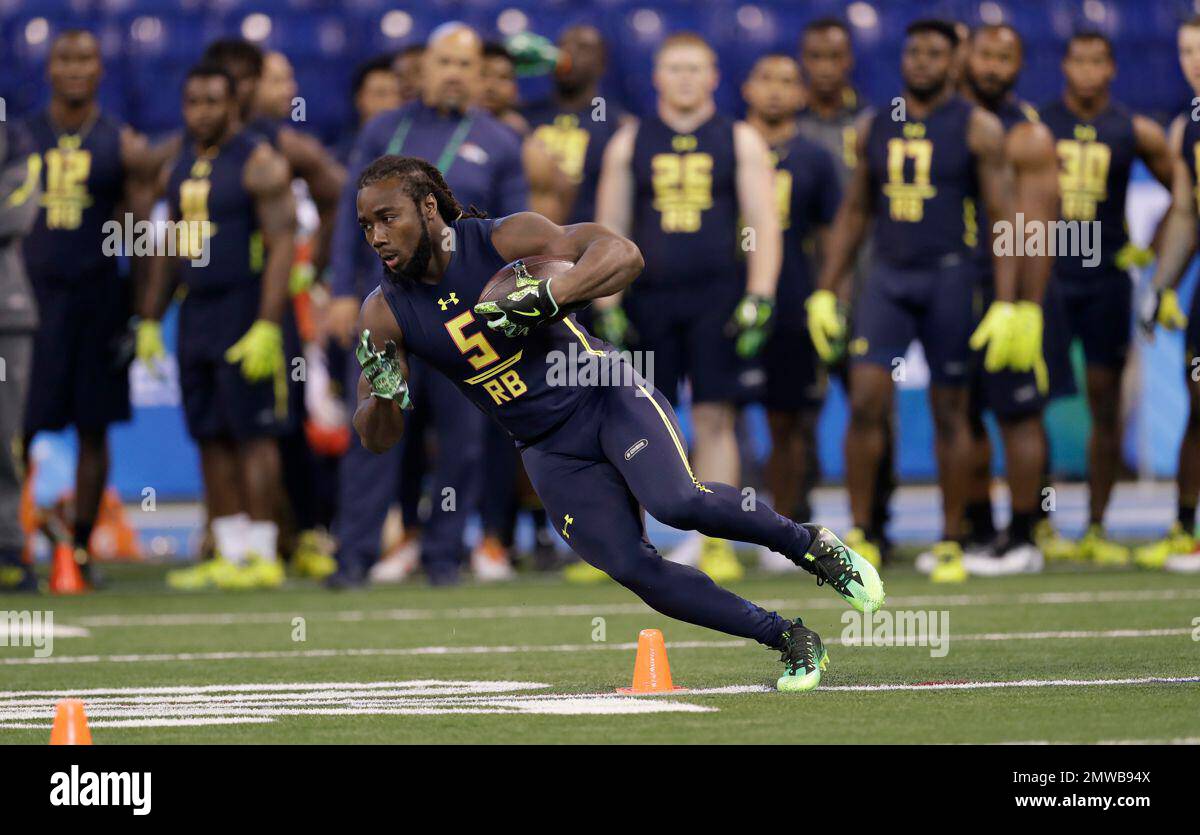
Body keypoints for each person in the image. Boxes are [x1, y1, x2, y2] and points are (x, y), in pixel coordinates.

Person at [351, 153, 883, 691]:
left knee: (678, 502)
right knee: (635, 568)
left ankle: (809, 546)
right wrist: (385, 399)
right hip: (545, 446)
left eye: (388, 217)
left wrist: (557, 292)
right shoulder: (383, 313)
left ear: (427, 206)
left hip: (603, 395)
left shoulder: (503, 239)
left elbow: (623, 254)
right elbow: (377, 438)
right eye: (366, 225)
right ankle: (787, 637)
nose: (377, 236)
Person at [809, 19, 1019, 583]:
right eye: (913, 51)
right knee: (866, 402)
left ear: (954, 63)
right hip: (887, 278)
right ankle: (861, 533)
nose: (921, 61)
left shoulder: (977, 128)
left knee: (953, 411)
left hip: (950, 278)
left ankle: (951, 538)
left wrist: (1006, 301)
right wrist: (825, 291)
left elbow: (1003, 220)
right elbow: (854, 212)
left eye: (934, 53)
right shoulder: (877, 124)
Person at [327, 23, 527, 586]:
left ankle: (443, 556)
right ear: (424, 69)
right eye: (445, 63)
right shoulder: (385, 129)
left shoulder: (501, 141)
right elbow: (349, 216)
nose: (455, 74)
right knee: (373, 426)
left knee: (461, 441)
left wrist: (507, 308)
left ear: (478, 73)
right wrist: (342, 290)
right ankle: (355, 556)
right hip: (385, 310)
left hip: (464, 315)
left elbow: (511, 234)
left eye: (466, 65)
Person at [595, 32, 781, 582]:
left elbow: (763, 221)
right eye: (673, 68)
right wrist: (608, 301)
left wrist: (761, 295)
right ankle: (639, 543)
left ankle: (714, 541)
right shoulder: (630, 141)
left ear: (713, 76)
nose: (683, 78)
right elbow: (611, 229)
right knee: (643, 420)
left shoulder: (739, 137)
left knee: (715, 418)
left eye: (694, 68)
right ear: (657, 76)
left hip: (717, 297)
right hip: (650, 299)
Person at [137, 63, 297, 590]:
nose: (201, 112)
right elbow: (168, 245)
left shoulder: (260, 161)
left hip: (243, 307)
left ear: (234, 104)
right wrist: (150, 319)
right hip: (196, 312)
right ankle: (229, 552)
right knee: (208, 434)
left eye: (212, 102)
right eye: (192, 102)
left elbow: (281, 247)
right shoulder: (179, 160)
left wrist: (268, 325)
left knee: (253, 435)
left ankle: (264, 553)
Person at [16, 30, 155, 585]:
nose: (75, 68)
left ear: (101, 69)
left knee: (94, 428)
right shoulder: (21, 136)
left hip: (98, 298)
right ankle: (12, 545)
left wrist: (143, 314)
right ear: (49, 68)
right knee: (18, 428)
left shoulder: (122, 143)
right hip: (31, 300)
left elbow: (142, 234)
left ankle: (78, 550)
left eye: (86, 59)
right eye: (65, 59)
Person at [1038, 31, 1176, 564]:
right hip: (1049, 277)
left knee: (1104, 400)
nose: (1088, 70)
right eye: (1079, 59)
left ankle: (1095, 526)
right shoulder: (1038, 124)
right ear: (1065, 65)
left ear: (1113, 68)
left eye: (1098, 60)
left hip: (1105, 282)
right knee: (1035, 403)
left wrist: (1151, 251)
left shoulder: (1134, 129)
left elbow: (1180, 196)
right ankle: (1040, 523)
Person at [954, 23, 1072, 575]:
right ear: (965, 57)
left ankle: (1023, 534)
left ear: (1021, 66)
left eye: (1007, 57)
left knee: (1019, 411)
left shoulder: (1028, 134)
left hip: (1013, 291)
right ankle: (975, 531)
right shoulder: (941, 125)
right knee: (961, 410)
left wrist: (1025, 306)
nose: (994, 67)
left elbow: (1035, 226)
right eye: (986, 54)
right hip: (953, 288)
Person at [794, 17, 897, 561]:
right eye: (816, 56)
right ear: (804, 59)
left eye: (835, 56)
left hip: (871, 285)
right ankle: (796, 525)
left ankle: (878, 523)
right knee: (798, 408)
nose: (825, 67)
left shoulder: (877, 124)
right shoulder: (788, 129)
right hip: (804, 289)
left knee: (874, 404)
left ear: (850, 60)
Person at [741, 53, 840, 572]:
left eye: (787, 80)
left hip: (793, 301)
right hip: (726, 297)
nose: (776, 90)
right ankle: (714, 533)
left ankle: (786, 523)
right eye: (766, 78)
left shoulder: (816, 158)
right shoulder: (727, 145)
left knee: (788, 421)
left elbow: (830, 237)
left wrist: (828, 295)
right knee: (718, 414)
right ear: (746, 88)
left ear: (801, 95)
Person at [1133, 15, 1200, 572]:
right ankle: (1186, 531)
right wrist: (1160, 286)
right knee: (1197, 405)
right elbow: (1184, 212)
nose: (1194, 60)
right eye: (1185, 50)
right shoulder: (1187, 127)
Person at [0, 120, 41, 592]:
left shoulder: (15, 138)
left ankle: (8, 547)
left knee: (4, 435)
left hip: (5, 314)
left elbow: (17, 212)